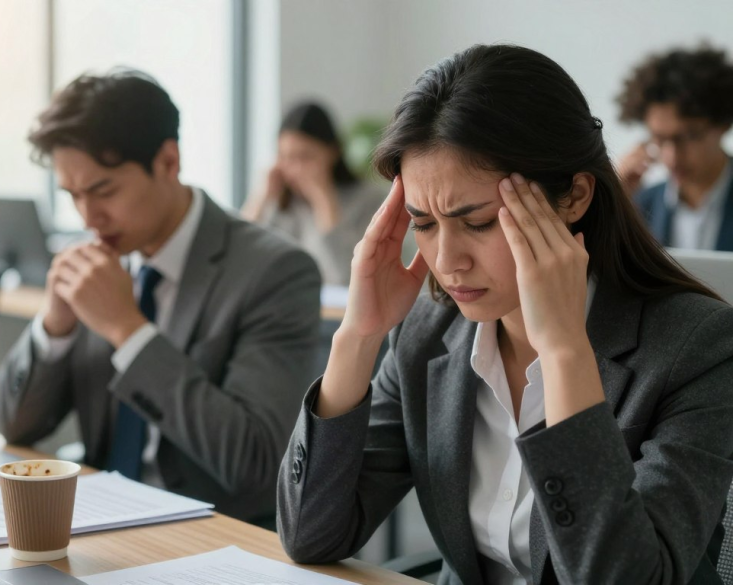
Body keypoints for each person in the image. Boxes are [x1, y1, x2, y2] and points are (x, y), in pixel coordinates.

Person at [278, 45, 733, 584]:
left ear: (574, 197)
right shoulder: (429, 333)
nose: (446, 262)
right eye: (423, 223)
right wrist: (358, 336)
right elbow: (310, 535)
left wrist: (565, 354)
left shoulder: (698, 347)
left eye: (478, 222)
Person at [0, 70, 321, 524]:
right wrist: (56, 326)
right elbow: (15, 426)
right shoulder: (102, 260)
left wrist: (127, 331)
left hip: (209, 533)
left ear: (169, 162)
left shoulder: (274, 272)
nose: (89, 216)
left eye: (103, 190)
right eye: (73, 195)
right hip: (99, 521)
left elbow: (257, 463)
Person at [241, 102, 385, 285]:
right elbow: (239, 258)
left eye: (305, 157)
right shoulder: (278, 200)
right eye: (286, 157)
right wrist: (260, 198)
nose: (295, 169)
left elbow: (348, 276)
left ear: (333, 152)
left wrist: (323, 200)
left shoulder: (368, 199)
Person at [615, 45, 733, 250]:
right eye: (659, 138)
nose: (672, 157)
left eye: (689, 137)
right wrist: (614, 201)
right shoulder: (639, 205)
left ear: (723, 125)